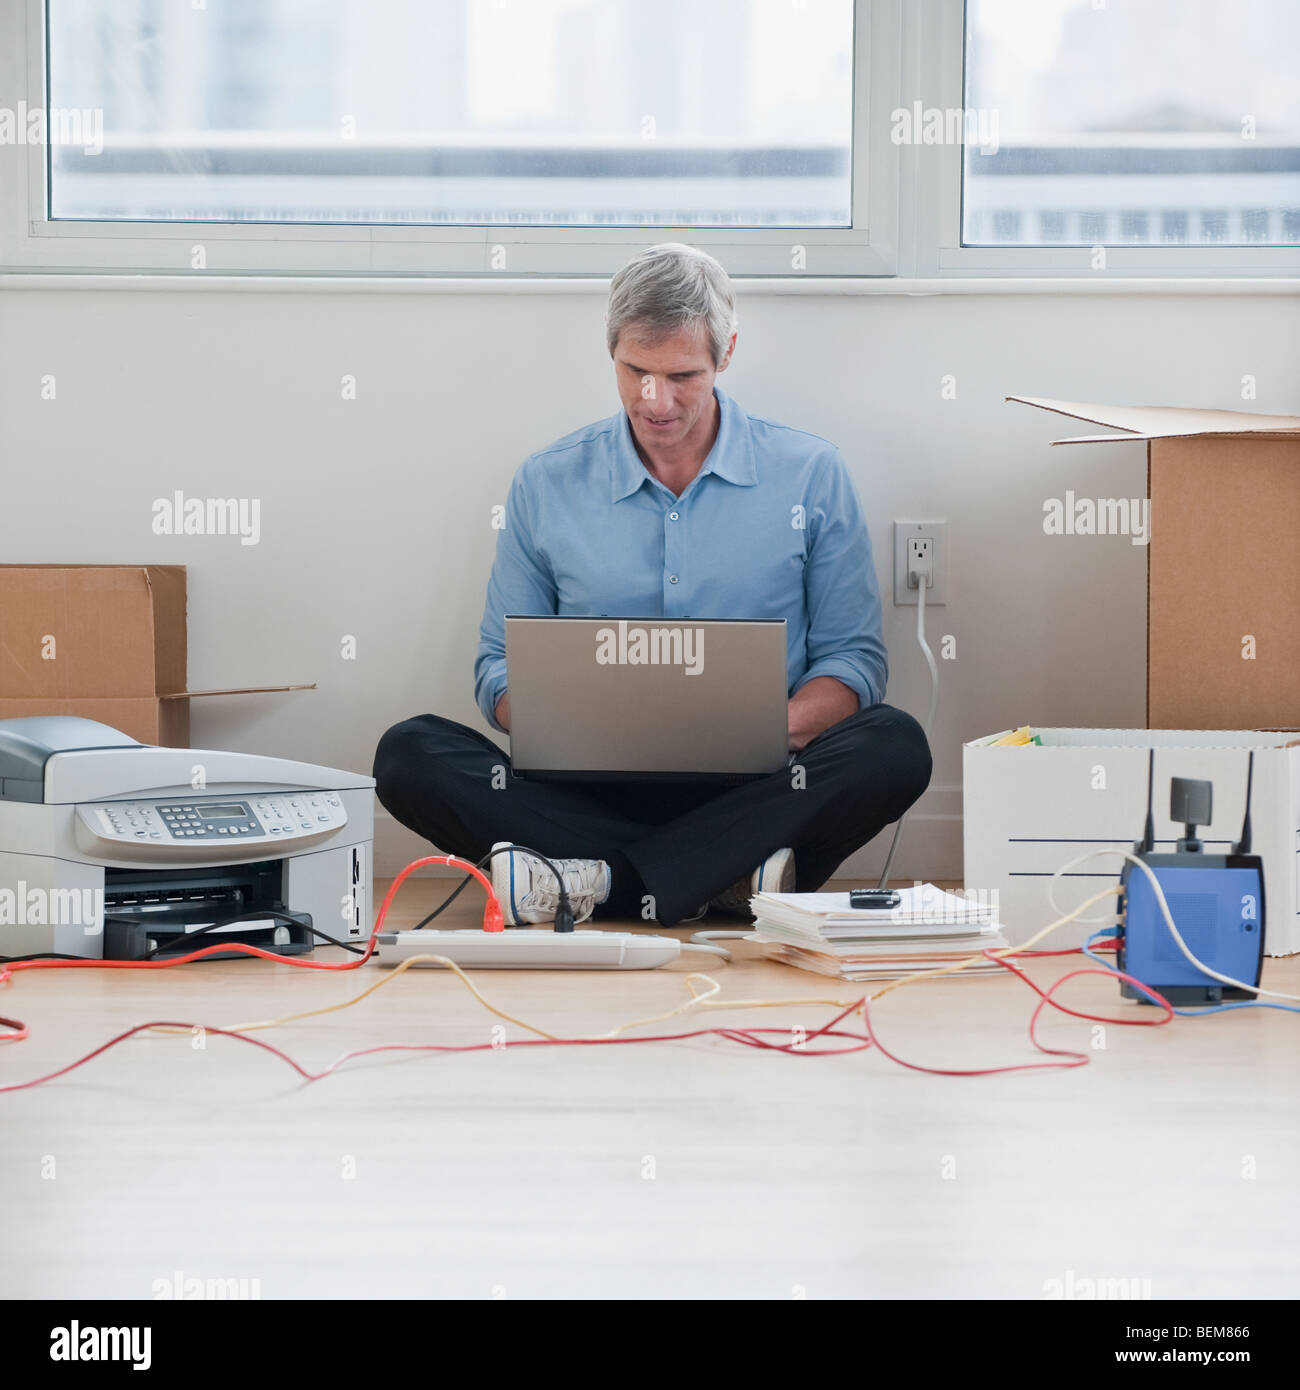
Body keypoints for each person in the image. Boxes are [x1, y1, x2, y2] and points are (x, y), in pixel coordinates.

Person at [374, 243, 931, 927]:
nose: (655, 399)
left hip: (755, 789)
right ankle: (719, 879)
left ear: (726, 353)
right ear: (611, 350)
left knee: (895, 746)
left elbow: (853, 666)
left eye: (681, 375)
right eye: (635, 370)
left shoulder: (811, 474)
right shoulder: (547, 482)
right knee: (408, 755)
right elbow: (497, 671)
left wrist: (757, 731)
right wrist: (571, 728)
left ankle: (592, 881)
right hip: (587, 790)